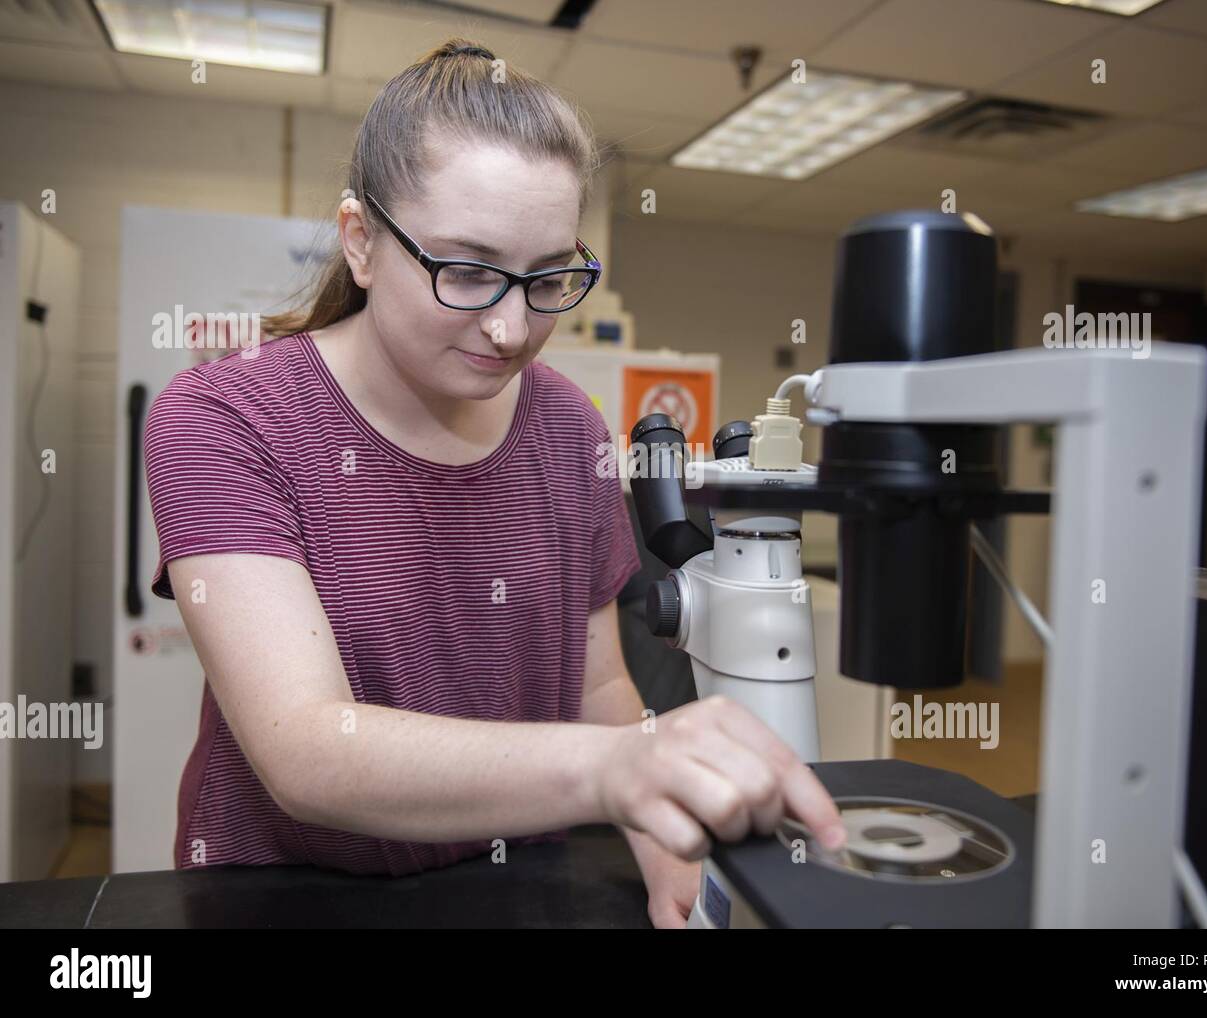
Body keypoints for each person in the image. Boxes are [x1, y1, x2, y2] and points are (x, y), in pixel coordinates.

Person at [143, 38, 846, 929]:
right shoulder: (226, 415)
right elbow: (308, 753)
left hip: (514, 883)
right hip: (282, 899)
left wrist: (657, 819)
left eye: (548, 277)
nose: (512, 329)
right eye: (468, 272)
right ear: (361, 242)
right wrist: (612, 772)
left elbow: (597, 690)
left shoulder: (567, 429)